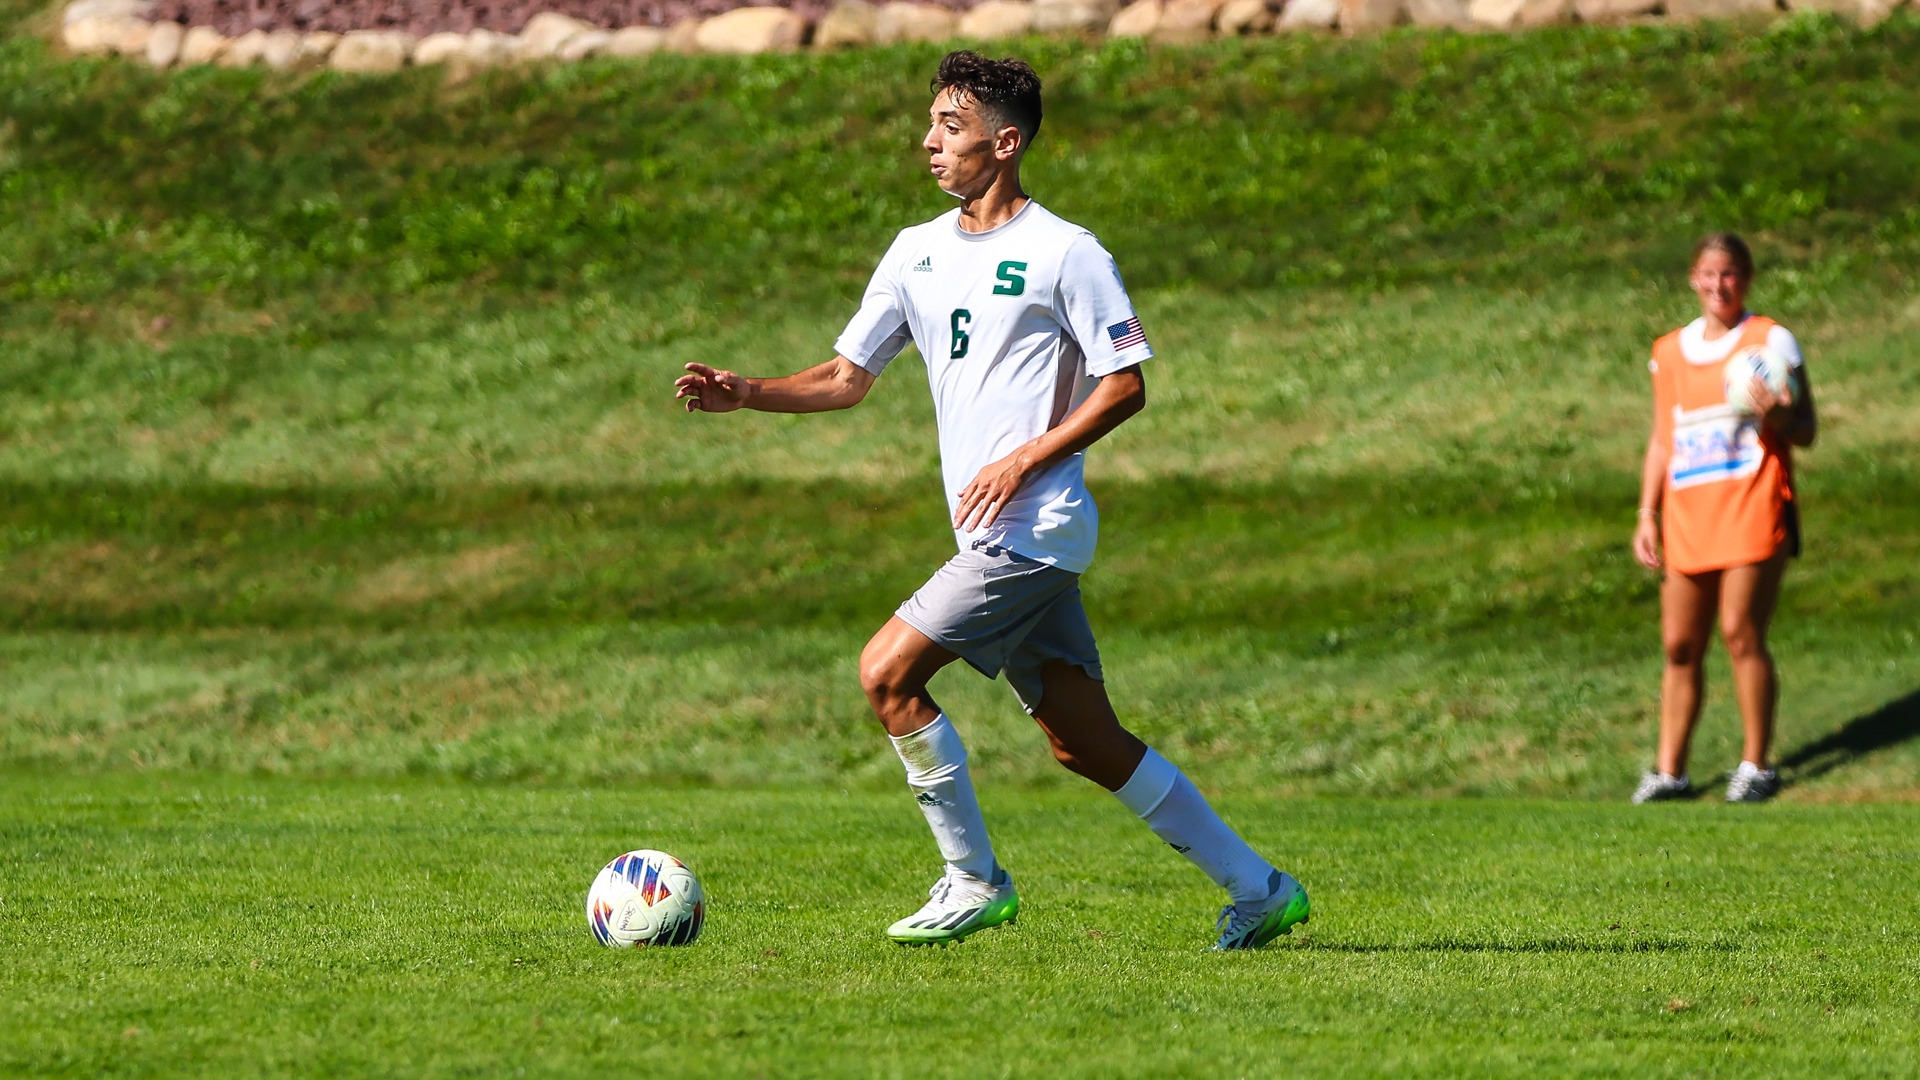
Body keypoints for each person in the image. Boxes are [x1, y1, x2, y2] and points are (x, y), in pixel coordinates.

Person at [674, 51, 1307, 949]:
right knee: (1084, 744)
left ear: (1005, 144)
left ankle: (974, 881)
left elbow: (1125, 385)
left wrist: (1026, 460)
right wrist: (751, 391)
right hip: (998, 537)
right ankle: (1262, 887)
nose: (930, 142)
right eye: (931, 122)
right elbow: (848, 377)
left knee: (887, 674)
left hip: (1030, 534)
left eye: (952, 127)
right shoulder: (915, 252)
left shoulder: (1066, 253)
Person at [1631, 233, 1817, 804]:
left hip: (1753, 509)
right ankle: (1670, 773)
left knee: (1740, 633)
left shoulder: (1769, 341)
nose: (1720, 286)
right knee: (1679, 644)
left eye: (1731, 274)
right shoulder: (1667, 351)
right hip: (1690, 518)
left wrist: (1779, 413)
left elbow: (1806, 430)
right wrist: (1647, 513)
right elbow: (1665, 439)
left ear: (1748, 277)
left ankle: (1756, 765)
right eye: (1710, 275)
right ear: (1693, 278)